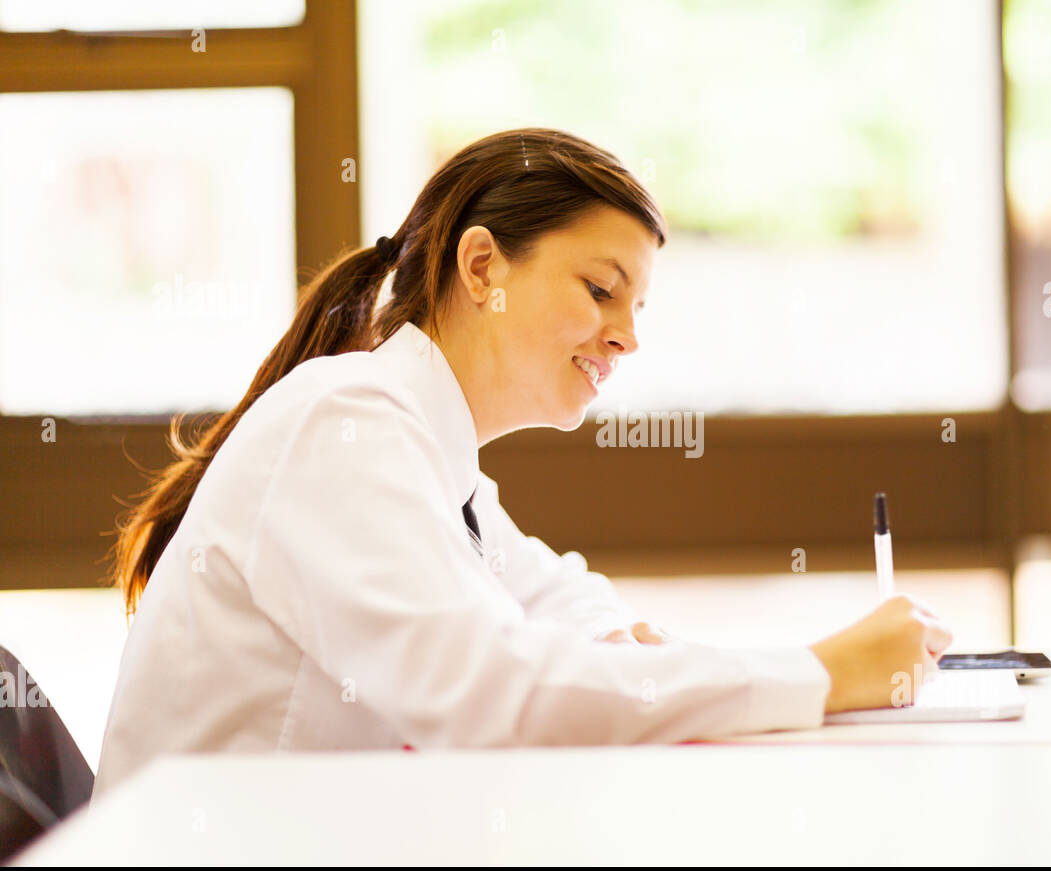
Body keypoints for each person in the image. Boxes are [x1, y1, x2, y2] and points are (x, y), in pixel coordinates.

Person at [96, 127, 951, 796]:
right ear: (481, 267)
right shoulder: (345, 424)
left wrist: (630, 653)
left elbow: (558, 600)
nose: (628, 335)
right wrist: (821, 673)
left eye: (638, 305)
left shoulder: (434, 457)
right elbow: (492, 695)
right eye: (600, 289)